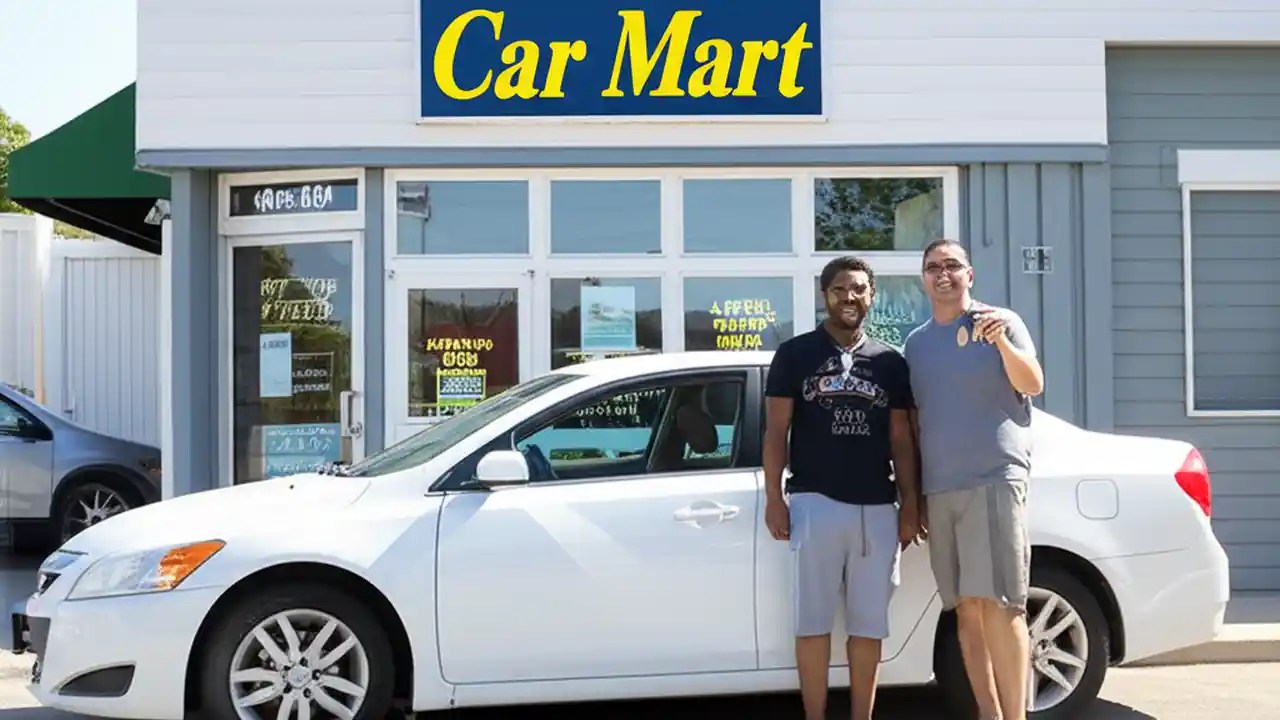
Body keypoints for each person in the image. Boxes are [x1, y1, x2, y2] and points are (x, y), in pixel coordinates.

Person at [763, 255, 921, 720]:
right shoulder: (794, 355)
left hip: (877, 507)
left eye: (858, 289)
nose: (849, 298)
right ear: (824, 294)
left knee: (868, 627)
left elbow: (901, 439)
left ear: (872, 295)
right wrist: (776, 498)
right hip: (815, 501)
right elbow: (776, 432)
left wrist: (910, 503)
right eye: (839, 289)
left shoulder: (890, 362)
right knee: (812, 623)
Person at [903, 238, 1044, 720]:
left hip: (994, 480)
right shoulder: (917, 344)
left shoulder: (1001, 322)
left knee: (1002, 606)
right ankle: (989, 713)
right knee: (965, 608)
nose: (942, 274)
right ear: (923, 278)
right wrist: (916, 495)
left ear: (970, 274)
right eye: (932, 267)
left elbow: (1032, 384)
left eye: (952, 266)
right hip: (941, 488)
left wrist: (1000, 341)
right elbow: (919, 421)